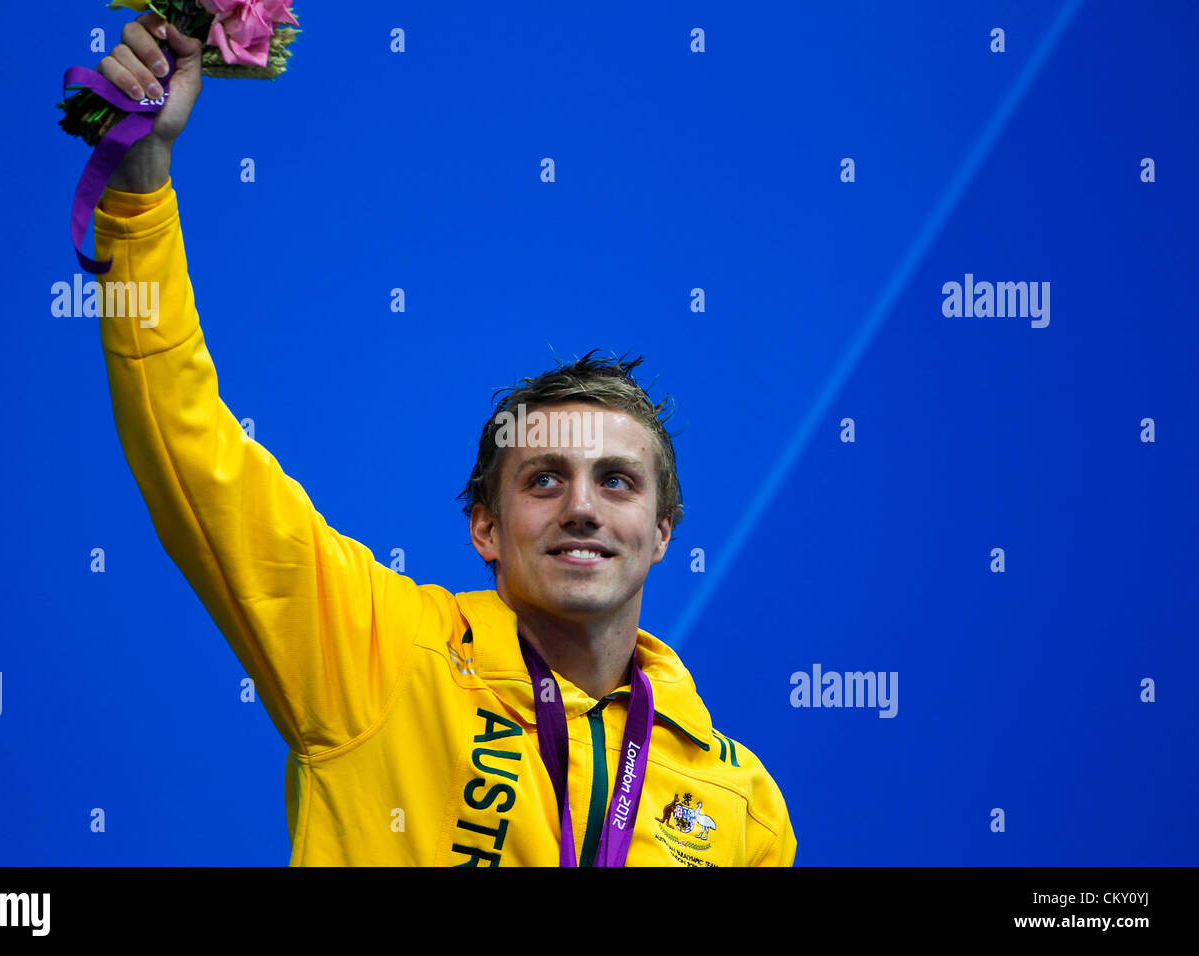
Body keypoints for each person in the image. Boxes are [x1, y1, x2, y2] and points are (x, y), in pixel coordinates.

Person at [89, 11, 796, 866]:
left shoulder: (740, 802)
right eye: (542, 480)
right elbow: (187, 443)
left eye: (616, 482)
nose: (581, 507)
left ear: (661, 535)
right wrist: (139, 188)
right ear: (484, 529)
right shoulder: (376, 652)